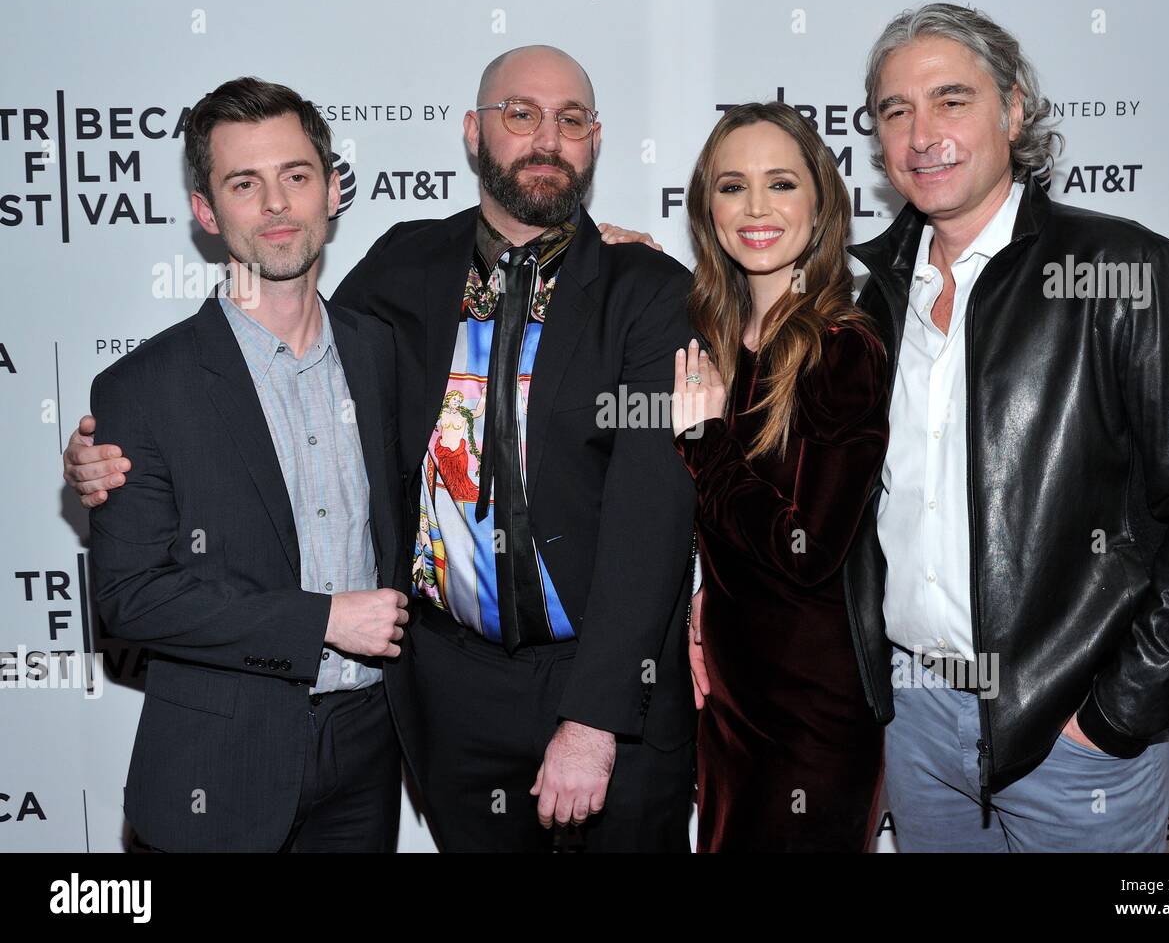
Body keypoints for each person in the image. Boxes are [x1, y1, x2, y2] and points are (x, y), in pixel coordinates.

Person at [65, 47, 696, 853]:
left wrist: (595, 718)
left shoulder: (649, 291)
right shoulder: (403, 268)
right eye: (519, 114)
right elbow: (268, 339)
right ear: (474, 133)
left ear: (595, 141)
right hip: (447, 695)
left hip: (601, 688)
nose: (545, 138)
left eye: (569, 120)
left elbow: (653, 521)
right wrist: (101, 459)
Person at [844, 3, 1169, 851]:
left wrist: (1117, 713)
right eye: (896, 110)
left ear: (1014, 109)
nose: (922, 133)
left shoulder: (1126, 272)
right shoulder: (872, 297)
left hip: (1069, 734)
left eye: (951, 100)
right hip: (915, 719)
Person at [83, 78, 409, 851]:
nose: (275, 205)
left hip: (367, 755)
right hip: (216, 769)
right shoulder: (143, 388)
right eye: (244, 183)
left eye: (296, 176)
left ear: (333, 190)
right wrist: (322, 619)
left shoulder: (385, 353)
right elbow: (129, 599)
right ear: (206, 210)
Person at [671, 102, 888, 851]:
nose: (756, 209)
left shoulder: (841, 348)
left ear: (822, 203)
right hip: (731, 706)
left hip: (810, 721)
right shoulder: (722, 341)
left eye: (782, 184)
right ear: (707, 208)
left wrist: (703, 443)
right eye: (733, 186)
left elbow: (806, 547)